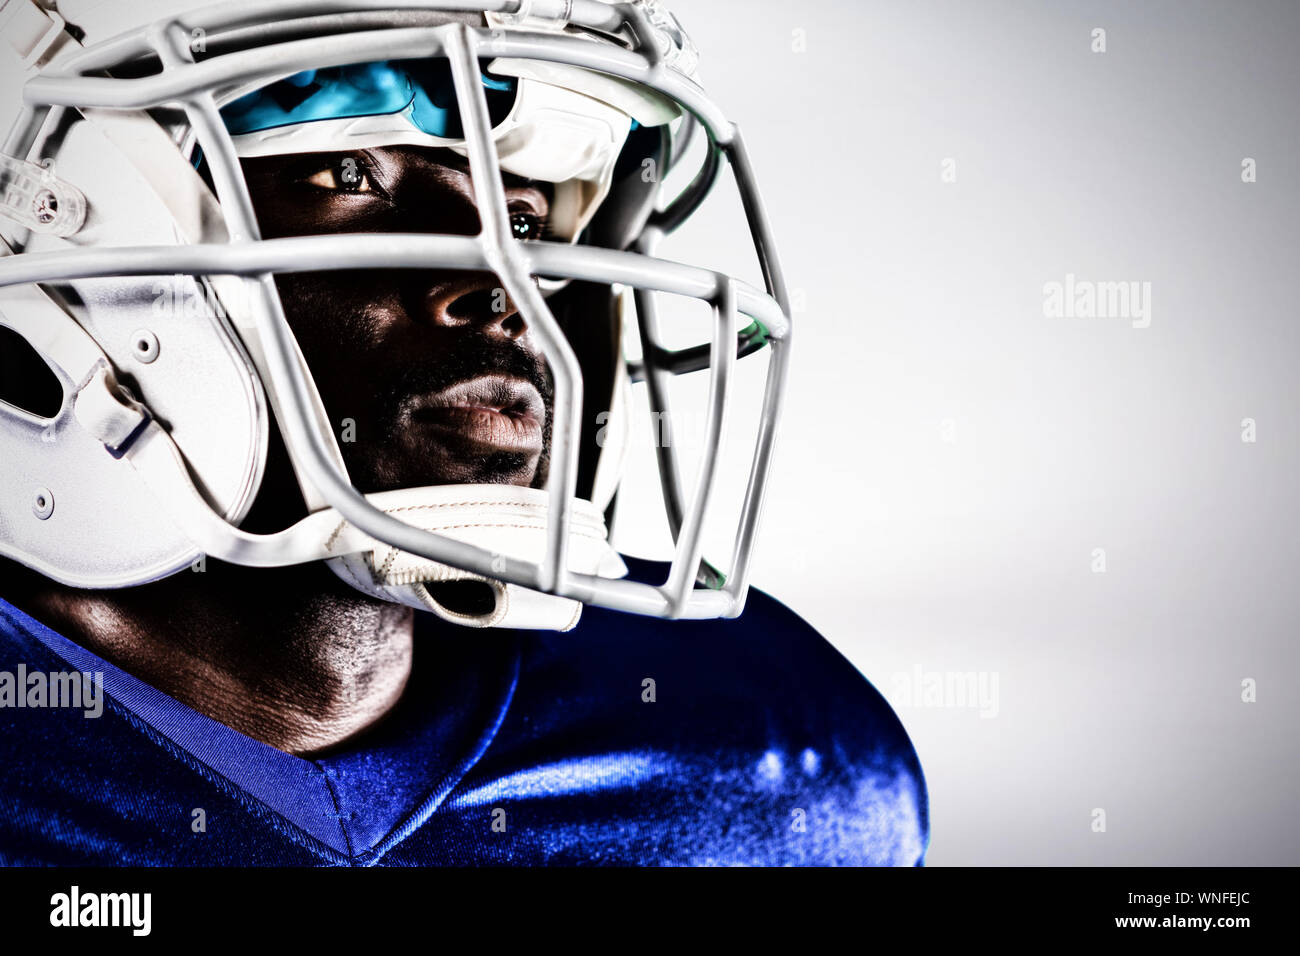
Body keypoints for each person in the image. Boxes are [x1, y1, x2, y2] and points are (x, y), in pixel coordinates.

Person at [0, 0, 928, 865]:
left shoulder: (774, 757)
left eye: (524, 217)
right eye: (348, 174)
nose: (503, 290)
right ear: (55, 250)